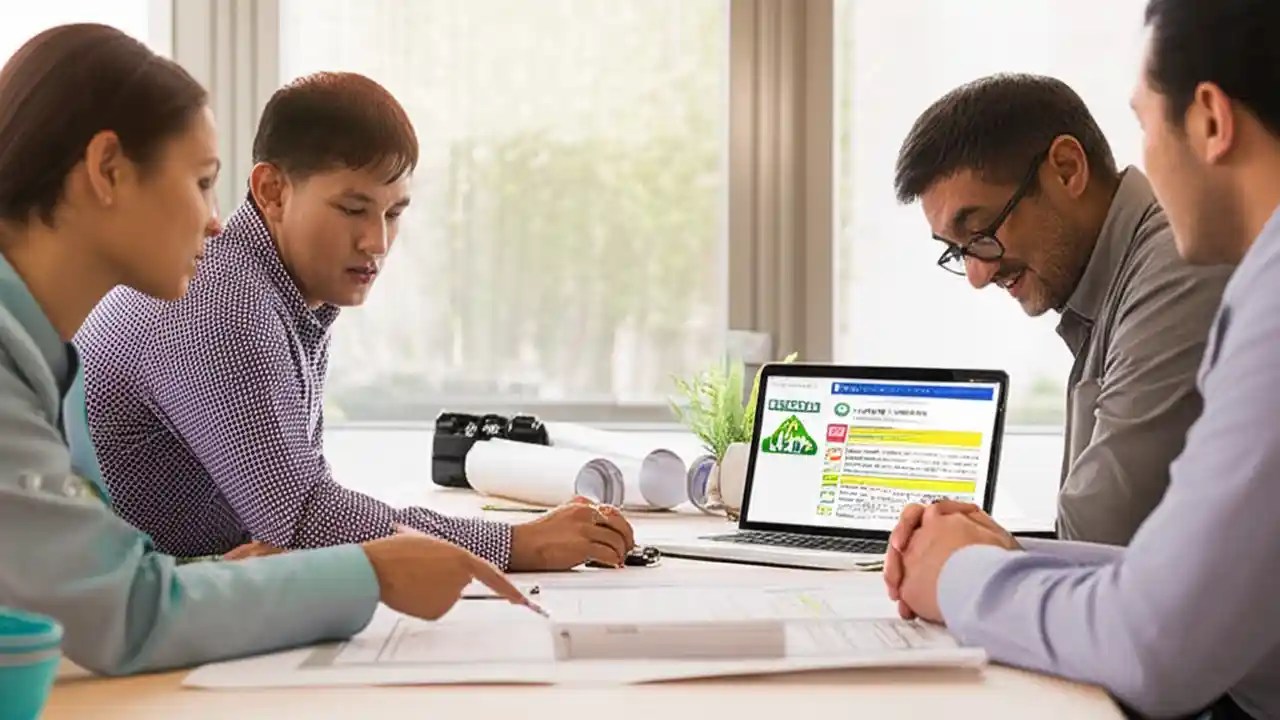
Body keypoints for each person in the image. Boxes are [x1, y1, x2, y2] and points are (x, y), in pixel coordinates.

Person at [0, 23, 536, 677]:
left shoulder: (49, 361)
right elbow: (125, 612)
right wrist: (366, 571)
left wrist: (195, 579)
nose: (215, 219)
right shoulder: (205, 302)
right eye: (201, 182)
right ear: (108, 170)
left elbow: (84, 573)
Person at [884, 1, 1280, 716]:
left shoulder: (1225, 278)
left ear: (1213, 122)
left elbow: (1155, 635)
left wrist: (961, 576)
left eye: (1144, 123)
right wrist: (988, 556)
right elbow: (1167, 578)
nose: (974, 274)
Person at [75, 71, 635, 571]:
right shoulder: (222, 301)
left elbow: (295, 517)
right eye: (352, 209)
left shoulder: (283, 292)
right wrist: (516, 545)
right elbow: (299, 516)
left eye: (394, 213)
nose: (378, 242)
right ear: (272, 191)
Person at [894, 74, 1232, 545]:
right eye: (957, 251)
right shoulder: (1104, 287)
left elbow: (1102, 535)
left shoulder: (1177, 264)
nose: (977, 275)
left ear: (1068, 168)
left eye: (979, 233)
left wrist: (966, 556)